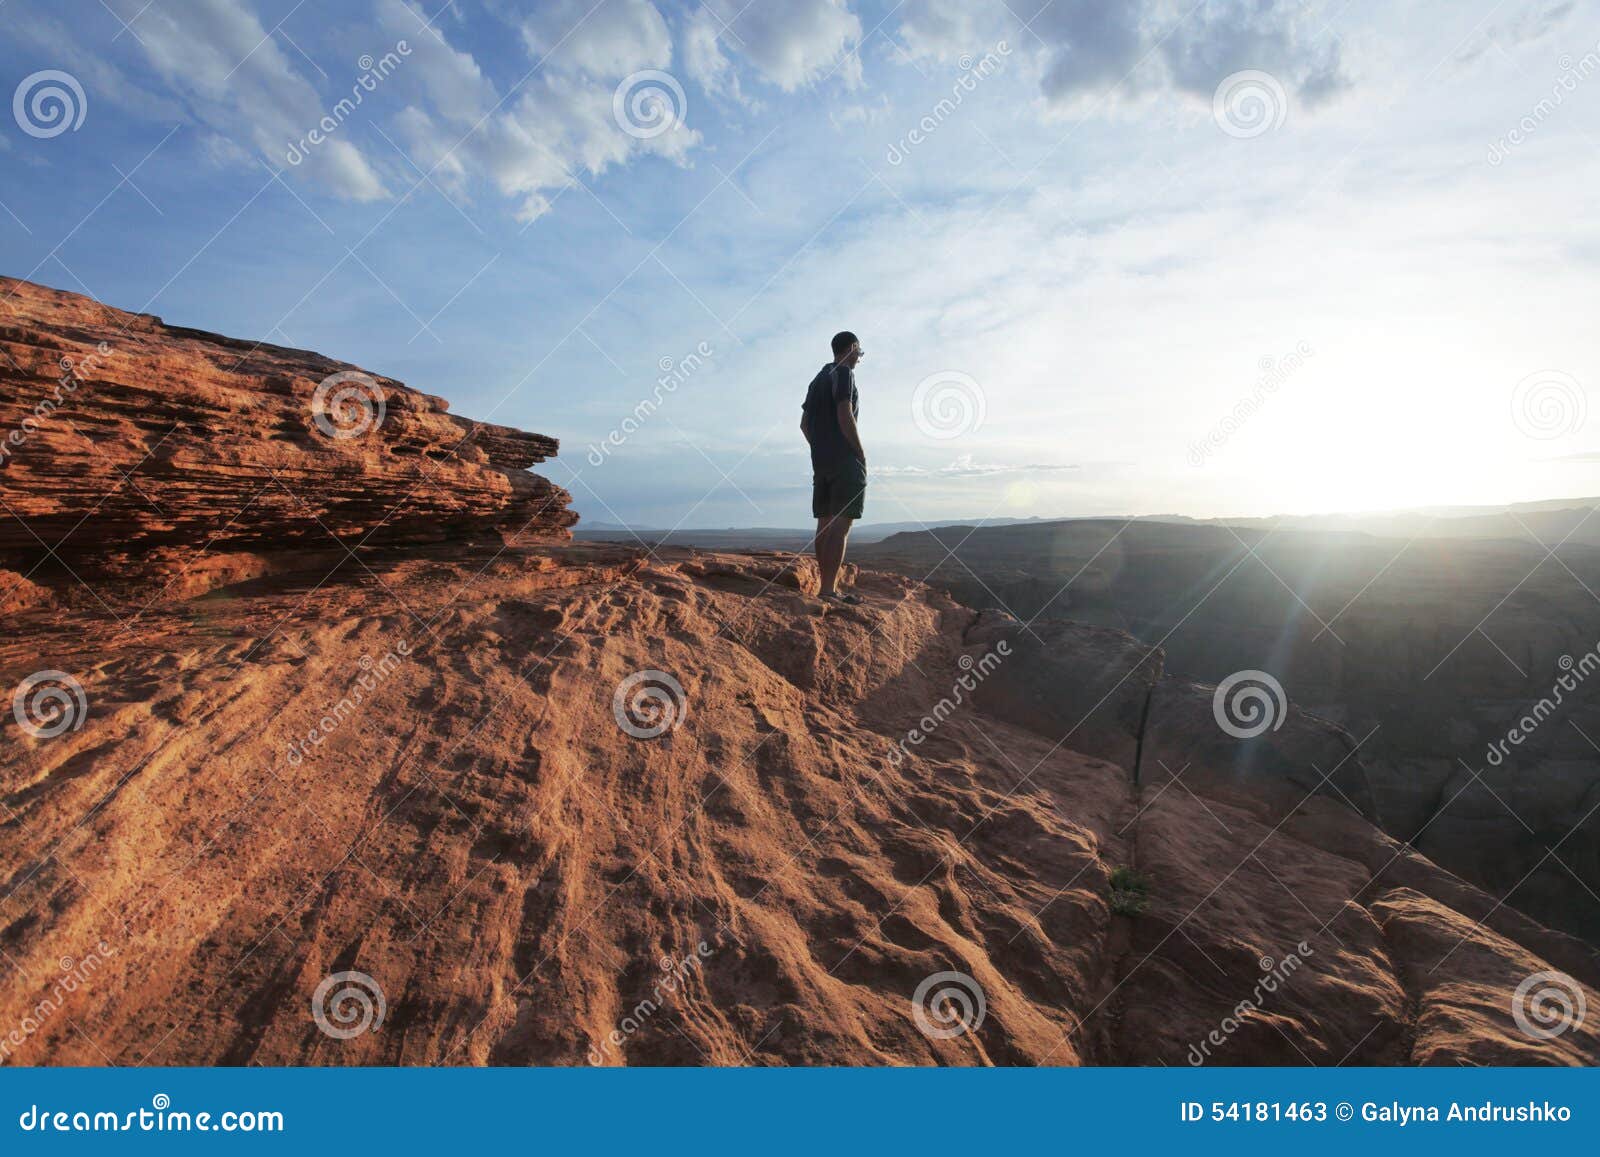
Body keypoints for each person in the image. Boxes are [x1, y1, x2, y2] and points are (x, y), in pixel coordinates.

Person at [800, 331, 866, 605]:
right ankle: (829, 590)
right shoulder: (844, 373)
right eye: (859, 352)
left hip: (821, 461)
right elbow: (844, 412)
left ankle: (825, 588)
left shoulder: (817, 379)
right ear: (851, 348)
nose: (859, 358)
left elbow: (804, 424)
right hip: (843, 459)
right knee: (842, 524)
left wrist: (820, 448)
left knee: (824, 523)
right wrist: (858, 451)